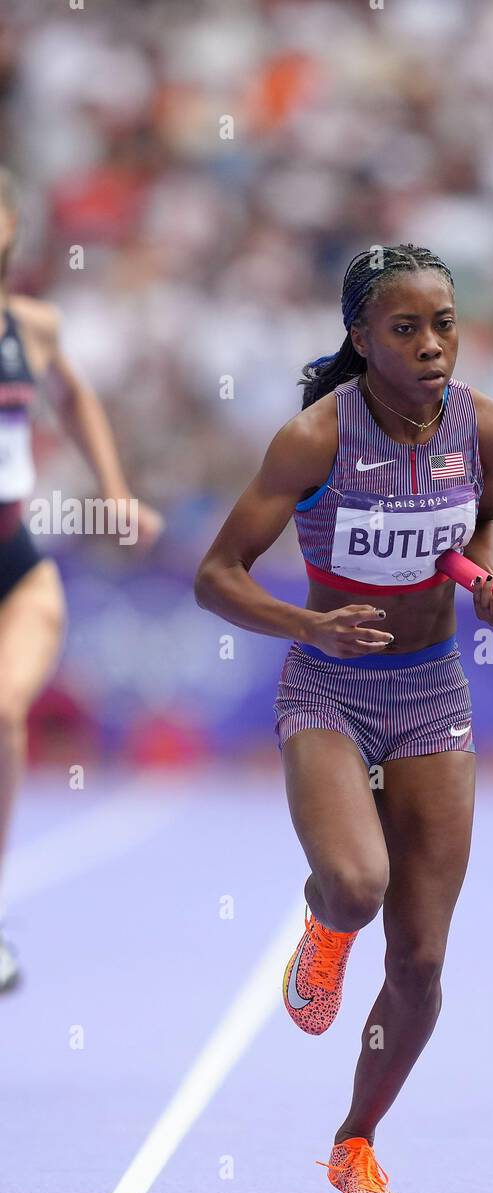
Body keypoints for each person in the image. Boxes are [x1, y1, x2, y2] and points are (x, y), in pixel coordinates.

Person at [195, 244, 493, 1193]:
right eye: (406, 328)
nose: (431, 345)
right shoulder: (312, 439)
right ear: (362, 338)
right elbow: (216, 576)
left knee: (421, 960)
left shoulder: (489, 430)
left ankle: (355, 1142)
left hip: (432, 694)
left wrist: (489, 575)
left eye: (444, 324)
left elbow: (483, 526)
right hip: (331, 687)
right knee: (356, 881)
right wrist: (311, 623)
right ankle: (325, 926)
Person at [0, 167, 163, 990]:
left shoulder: (33, 325)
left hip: (15, 566)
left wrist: (116, 491)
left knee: (2, 712)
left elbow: (77, 400)